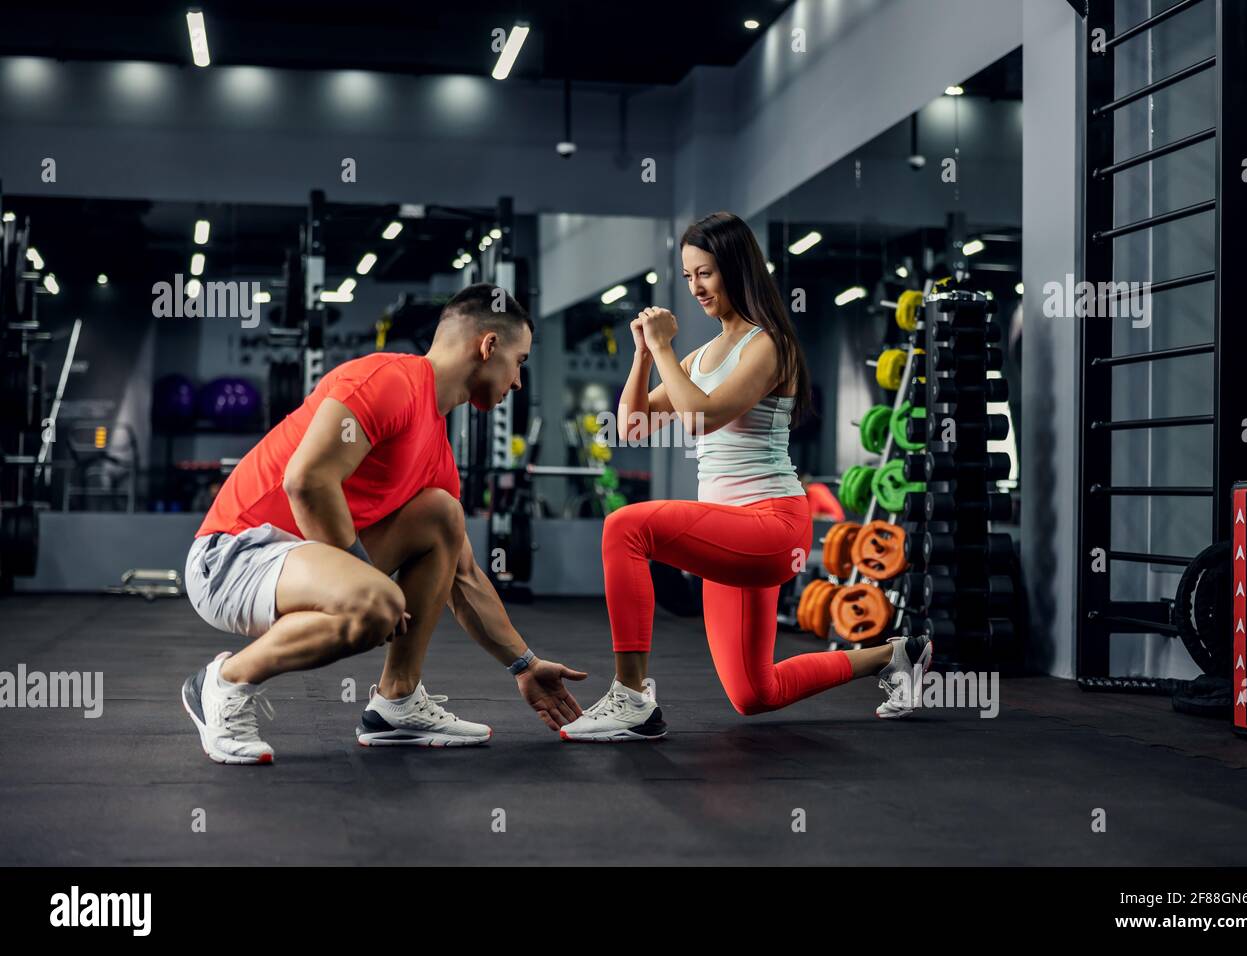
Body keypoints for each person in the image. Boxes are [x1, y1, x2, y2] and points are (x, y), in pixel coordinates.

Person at [560, 212, 931, 742]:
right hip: (727, 532)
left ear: (737, 268)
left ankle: (631, 698)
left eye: (705, 273)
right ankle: (898, 655)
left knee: (625, 527)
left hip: (770, 525)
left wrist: (665, 350)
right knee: (755, 694)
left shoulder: (769, 344)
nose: (696, 288)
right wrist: (644, 354)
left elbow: (701, 417)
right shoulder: (702, 354)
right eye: (688, 276)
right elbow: (632, 425)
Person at [182, 283, 587, 764]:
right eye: (520, 361)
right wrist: (366, 582)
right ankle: (222, 684)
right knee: (378, 603)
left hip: (297, 560)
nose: (518, 382)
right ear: (489, 345)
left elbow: (464, 576)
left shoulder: (436, 448)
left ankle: (396, 701)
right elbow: (307, 481)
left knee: (442, 515)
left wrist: (524, 664)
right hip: (233, 556)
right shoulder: (389, 380)